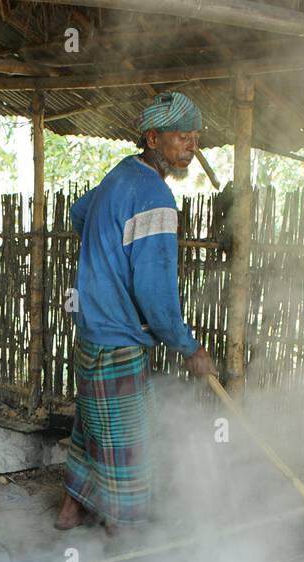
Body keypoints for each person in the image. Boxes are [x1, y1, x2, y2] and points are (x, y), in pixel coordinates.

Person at [56, 91, 217, 534]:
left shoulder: (120, 175)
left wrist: (104, 258)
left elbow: (79, 213)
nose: (191, 147)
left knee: (93, 423)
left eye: (195, 138)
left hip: (91, 330)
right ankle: (122, 531)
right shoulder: (156, 199)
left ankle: (71, 510)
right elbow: (156, 294)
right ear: (153, 138)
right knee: (127, 444)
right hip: (118, 336)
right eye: (182, 137)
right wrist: (189, 346)